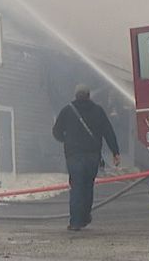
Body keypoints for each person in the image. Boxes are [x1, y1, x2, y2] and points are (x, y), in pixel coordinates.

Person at [52, 85, 121, 231]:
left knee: (76, 186)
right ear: (89, 95)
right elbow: (108, 131)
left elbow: (56, 132)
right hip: (92, 156)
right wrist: (115, 152)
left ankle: (75, 222)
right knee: (88, 186)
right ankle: (84, 217)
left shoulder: (67, 110)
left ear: (75, 95)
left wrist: (66, 140)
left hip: (74, 156)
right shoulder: (98, 111)